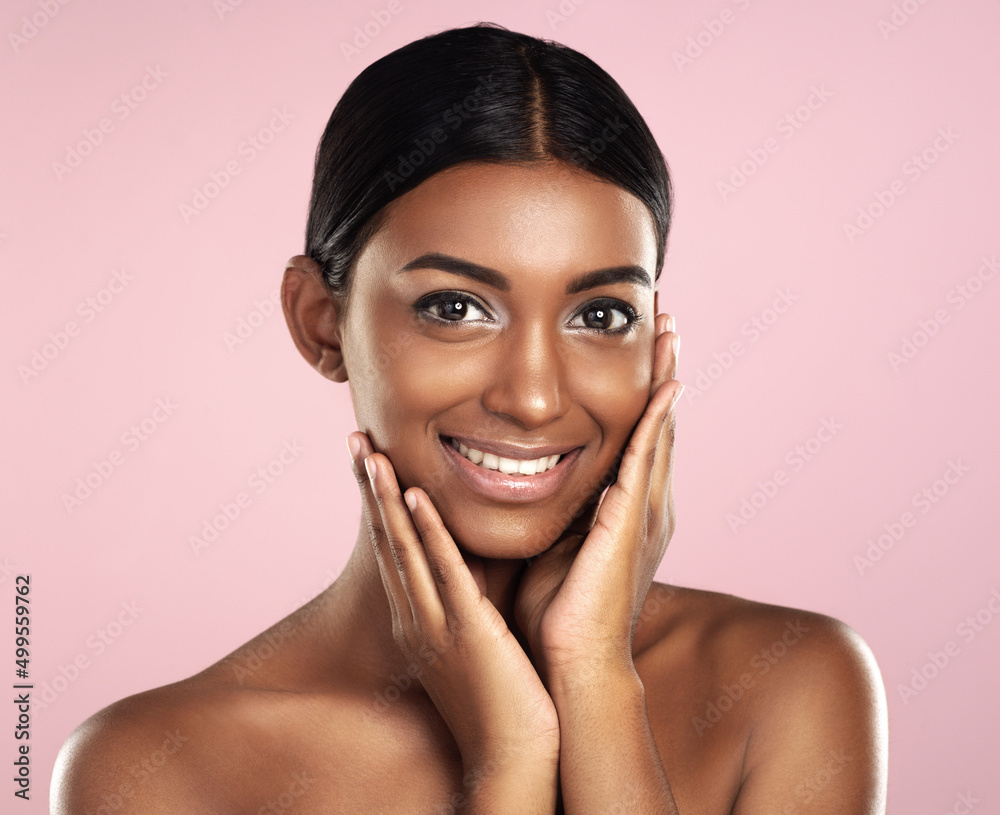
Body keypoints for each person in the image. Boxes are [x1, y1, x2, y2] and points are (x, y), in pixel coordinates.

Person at [51, 22, 887, 814]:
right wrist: (509, 759)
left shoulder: (792, 684)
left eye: (600, 315)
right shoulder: (156, 766)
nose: (532, 397)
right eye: (456, 306)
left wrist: (596, 682)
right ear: (319, 320)